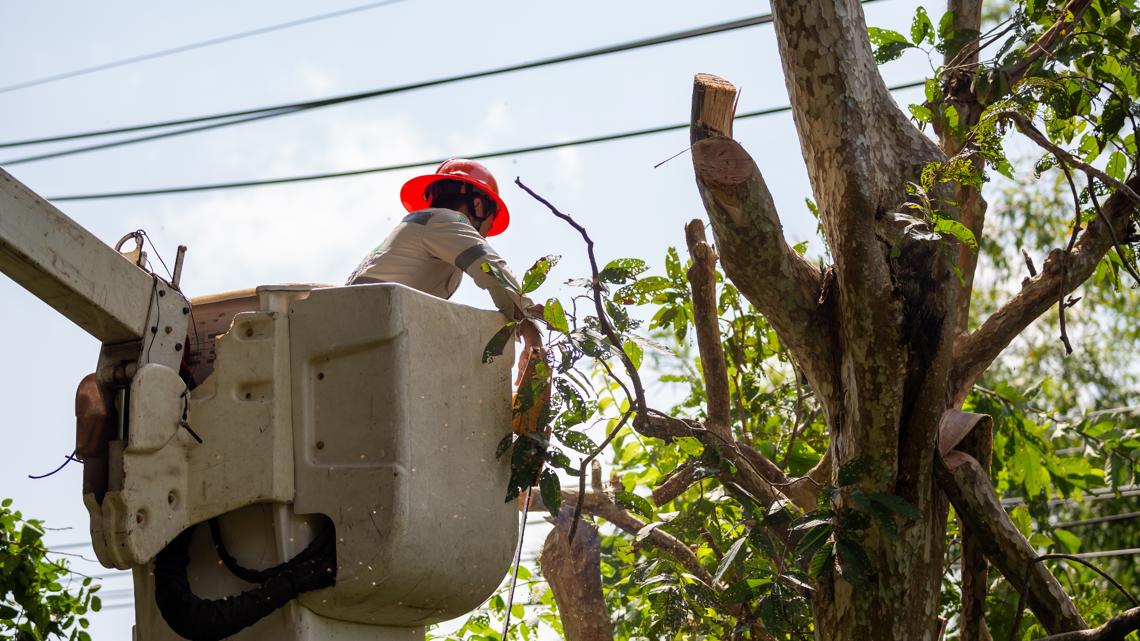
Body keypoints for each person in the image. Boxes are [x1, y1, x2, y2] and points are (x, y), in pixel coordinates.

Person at [347, 158, 542, 345]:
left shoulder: (423, 227)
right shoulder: (445, 220)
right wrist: (530, 330)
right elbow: (492, 269)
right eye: (492, 216)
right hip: (371, 322)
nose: (487, 233)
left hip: (357, 324)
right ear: (478, 205)